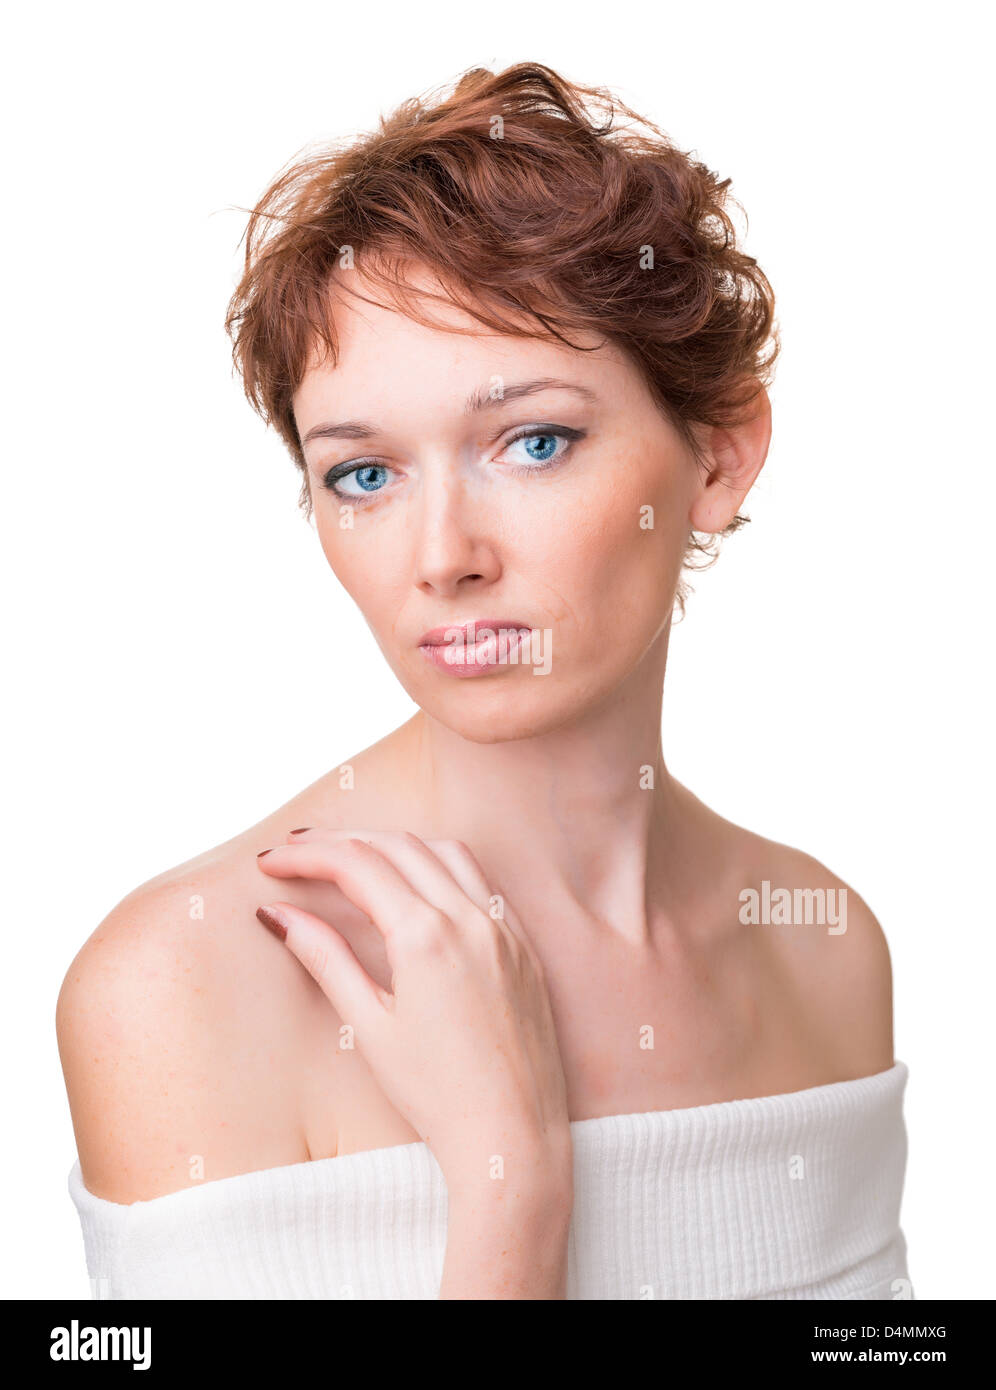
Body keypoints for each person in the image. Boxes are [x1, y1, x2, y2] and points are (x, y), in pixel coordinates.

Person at [57, 61, 910, 1301]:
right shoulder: (183, 987)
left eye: (534, 442)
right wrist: (511, 1182)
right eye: (364, 474)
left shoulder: (822, 946)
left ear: (719, 457)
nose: (443, 558)